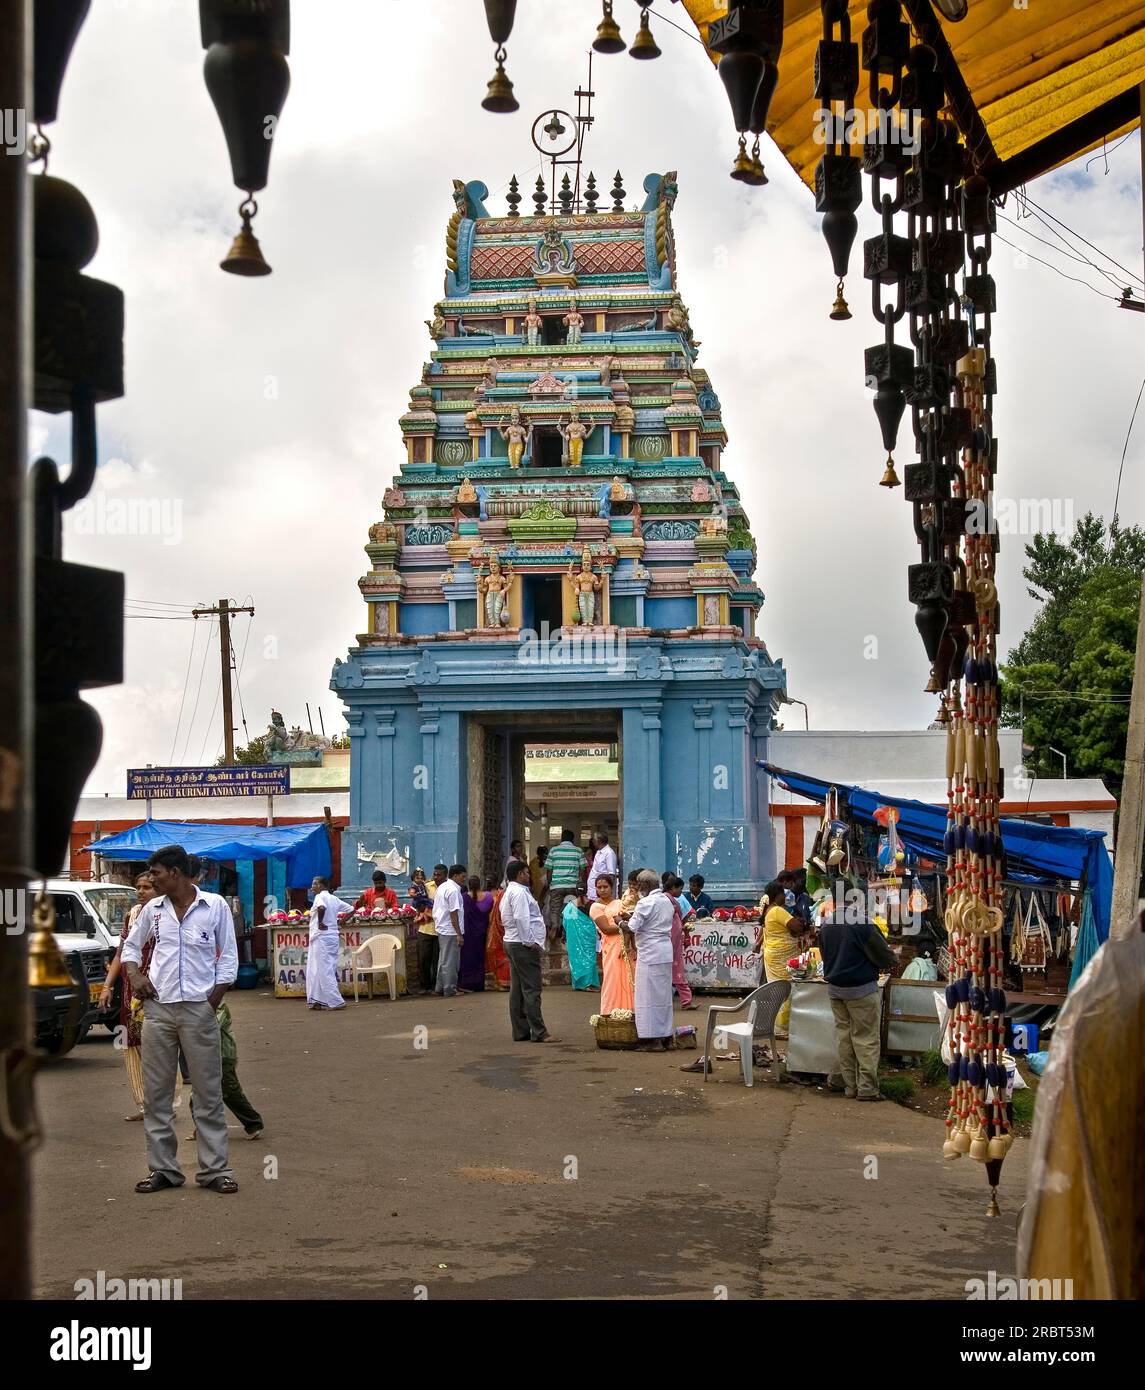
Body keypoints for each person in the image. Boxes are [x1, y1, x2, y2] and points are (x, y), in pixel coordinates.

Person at [121, 844, 238, 1195]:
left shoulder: (214, 906)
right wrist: (136, 975)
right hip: (159, 1011)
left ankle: (215, 1171)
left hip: (198, 1011)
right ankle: (164, 1170)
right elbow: (129, 947)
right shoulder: (151, 910)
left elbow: (228, 956)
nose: (150, 879)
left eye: (155, 873)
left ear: (174, 873)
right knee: (157, 1095)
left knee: (207, 1092)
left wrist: (212, 999)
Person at [818, 898, 898, 1100]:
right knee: (866, 1039)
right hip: (861, 990)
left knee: (844, 1039)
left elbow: (825, 955)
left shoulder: (826, 925)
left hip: (836, 990)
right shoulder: (862, 923)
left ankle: (850, 1087)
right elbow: (885, 956)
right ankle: (867, 1088)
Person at [99, 872, 159, 1121]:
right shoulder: (131, 916)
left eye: (147, 887)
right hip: (129, 992)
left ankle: (164, 1104)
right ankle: (144, 1105)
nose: (141, 891)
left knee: (157, 1048)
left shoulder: (164, 915)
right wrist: (107, 986)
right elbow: (120, 954)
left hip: (156, 989)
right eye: (138, 887)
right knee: (132, 1045)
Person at [499, 859, 556, 1042]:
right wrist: (530, 942)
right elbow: (522, 918)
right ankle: (539, 1032)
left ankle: (521, 1030)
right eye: (527, 872)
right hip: (521, 944)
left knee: (517, 989)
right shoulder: (519, 893)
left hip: (512, 941)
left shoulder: (509, 892)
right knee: (531, 988)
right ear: (520, 874)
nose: (529, 876)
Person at [628, 870, 676, 1051]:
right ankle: (666, 1037)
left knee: (646, 996)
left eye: (639, 885)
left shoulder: (645, 902)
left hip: (650, 952)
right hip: (664, 950)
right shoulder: (668, 901)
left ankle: (651, 1039)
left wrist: (619, 922)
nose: (638, 889)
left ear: (646, 886)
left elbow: (632, 927)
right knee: (664, 995)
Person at [755, 881, 804, 1038]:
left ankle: (779, 1025)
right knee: (786, 990)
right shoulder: (777, 910)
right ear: (777, 895)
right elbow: (796, 927)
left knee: (778, 990)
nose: (785, 896)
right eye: (783, 893)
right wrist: (800, 924)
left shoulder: (769, 910)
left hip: (773, 955)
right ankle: (781, 1027)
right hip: (781, 956)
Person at [589, 874, 634, 1014]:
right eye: (599, 887)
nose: (602, 890)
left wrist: (629, 924)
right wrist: (628, 924)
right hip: (611, 948)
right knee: (612, 981)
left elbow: (631, 918)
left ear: (612, 887)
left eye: (605, 887)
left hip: (627, 946)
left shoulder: (620, 903)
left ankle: (630, 1012)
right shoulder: (595, 907)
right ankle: (610, 1012)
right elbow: (606, 929)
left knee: (630, 978)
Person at [307, 875, 353, 1011]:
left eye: (314, 884)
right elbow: (351, 910)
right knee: (320, 968)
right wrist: (340, 923)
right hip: (332, 936)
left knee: (324, 969)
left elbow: (321, 908)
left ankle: (336, 1001)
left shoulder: (319, 897)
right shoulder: (334, 898)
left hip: (321, 936)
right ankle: (317, 1000)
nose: (312, 887)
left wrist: (321, 922)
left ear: (321, 886)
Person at [663, 873, 697, 1011]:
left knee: (675, 971)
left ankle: (685, 1001)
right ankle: (685, 1001)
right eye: (680, 889)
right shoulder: (666, 901)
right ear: (673, 888)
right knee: (675, 971)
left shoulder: (671, 900)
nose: (681, 892)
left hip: (673, 943)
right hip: (669, 943)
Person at [432, 863, 467, 998]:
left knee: (443, 959)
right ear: (456, 875)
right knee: (450, 961)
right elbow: (454, 914)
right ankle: (450, 988)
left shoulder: (443, 887)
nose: (464, 879)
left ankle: (440, 987)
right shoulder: (453, 891)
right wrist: (459, 934)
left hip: (443, 928)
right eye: (463, 876)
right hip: (450, 930)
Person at [545, 828, 586, 938]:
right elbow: (583, 869)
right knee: (571, 908)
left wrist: (550, 884)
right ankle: (568, 932)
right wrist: (581, 883)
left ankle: (554, 925)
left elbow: (549, 870)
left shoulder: (553, 850)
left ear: (561, 838)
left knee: (555, 909)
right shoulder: (578, 850)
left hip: (557, 885)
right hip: (572, 886)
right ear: (573, 840)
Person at [459, 875, 494, 992]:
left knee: (467, 957)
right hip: (482, 932)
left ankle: (467, 983)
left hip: (468, 933)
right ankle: (479, 983)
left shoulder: (463, 898)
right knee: (479, 958)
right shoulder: (489, 897)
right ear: (480, 884)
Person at [562, 891, 600, 991]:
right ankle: (587, 984)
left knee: (586, 957)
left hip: (582, 937)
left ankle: (581, 984)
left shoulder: (570, 906)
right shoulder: (587, 904)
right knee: (587, 957)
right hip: (583, 937)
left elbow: (566, 924)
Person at [410, 867, 438, 993]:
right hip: (425, 928)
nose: (437, 877)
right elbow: (416, 901)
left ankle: (435, 986)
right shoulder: (425, 887)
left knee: (437, 960)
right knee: (423, 959)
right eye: (435, 874)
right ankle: (424, 985)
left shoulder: (447, 888)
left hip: (439, 929)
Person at [485, 882, 512, 990]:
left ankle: (502, 982)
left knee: (501, 956)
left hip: (499, 930)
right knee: (504, 957)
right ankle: (505, 982)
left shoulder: (500, 896)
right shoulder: (502, 896)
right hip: (503, 930)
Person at [587, 831, 618, 903]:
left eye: (594, 840)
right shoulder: (599, 852)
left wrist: (609, 894)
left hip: (602, 894)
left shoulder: (609, 853)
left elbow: (611, 874)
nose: (593, 842)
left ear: (598, 841)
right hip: (594, 893)